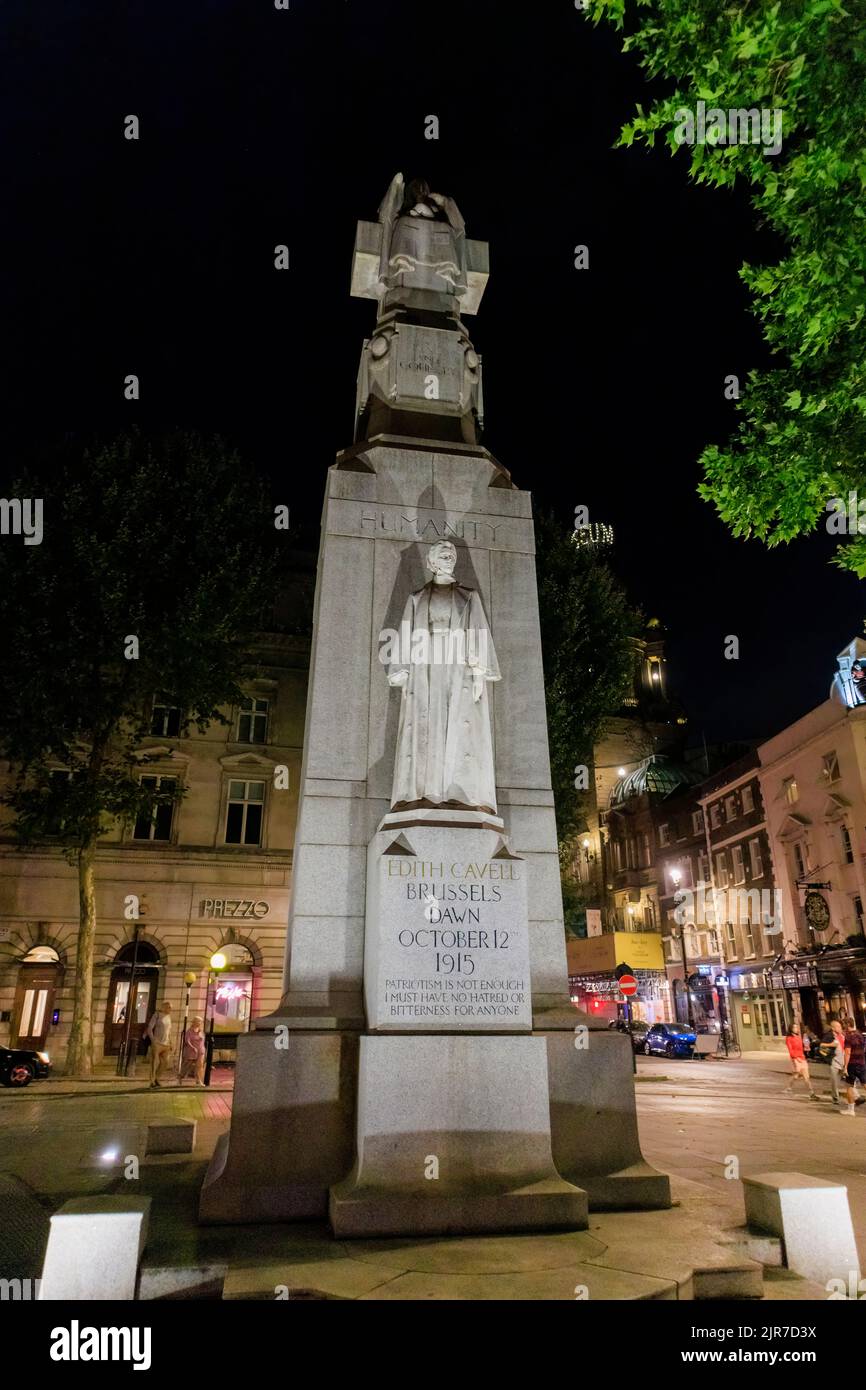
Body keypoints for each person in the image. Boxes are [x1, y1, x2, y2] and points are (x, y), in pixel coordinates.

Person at [784, 1023, 819, 1099]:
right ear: (791, 1029)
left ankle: (811, 1093)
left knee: (805, 1077)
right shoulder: (789, 1038)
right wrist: (796, 1058)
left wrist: (806, 1048)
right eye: (795, 1027)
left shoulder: (799, 1037)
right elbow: (790, 1050)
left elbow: (802, 1047)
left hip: (802, 1058)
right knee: (796, 1076)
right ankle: (789, 1088)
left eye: (797, 1027)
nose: (796, 1029)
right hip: (796, 1059)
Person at [841, 1016, 866, 1115]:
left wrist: (845, 1067)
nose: (843, 1027)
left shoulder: (848, 1037)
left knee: (849, 1086)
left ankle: (851, 1110)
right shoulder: (859, 1034)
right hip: (862, 1062)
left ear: (847, 1024)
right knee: (864, 1083)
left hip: (852, 1063)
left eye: (844, 1025)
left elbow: (847, 1052)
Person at [146, 1001, 173, 1087]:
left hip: (166, 1043)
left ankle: (157, 1078)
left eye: (171, 1007)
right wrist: (153, 1040)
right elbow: (150, 1028)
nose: (170, 1009)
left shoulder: (168, 1017)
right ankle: (152, 1081)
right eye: (169, 1007)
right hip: (157, 1042)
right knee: (154, 1062)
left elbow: (169, 1031)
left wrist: (171, 1042)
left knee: (165, 1063)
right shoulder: (157, 1015)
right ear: (164, 1007)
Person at [180, 1016, 206, 1086]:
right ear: (194, 1022)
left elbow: (203, 1041)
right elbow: (187, 1040)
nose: (200, 1023)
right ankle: (181, 1076)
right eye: (199, 1021)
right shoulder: (189, 1031)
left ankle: (199, 1080)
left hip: (200, 1051)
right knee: (187, 1065)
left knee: (199, 1066)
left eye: (201, 1022)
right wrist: (193, 1047)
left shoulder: (201, 1031)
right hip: (191, 1051)